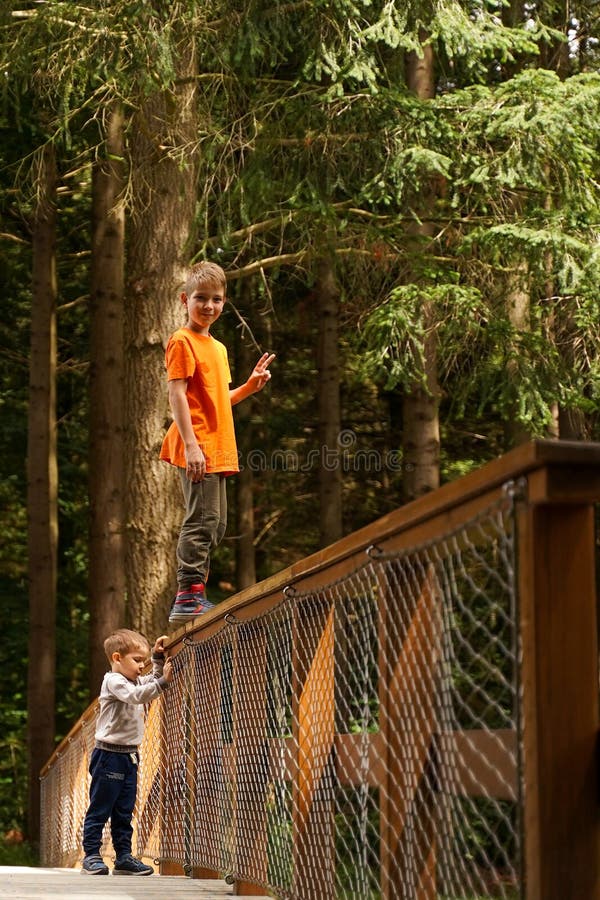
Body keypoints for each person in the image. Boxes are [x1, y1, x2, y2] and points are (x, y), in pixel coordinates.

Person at [160, 261, 275, 624]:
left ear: (224, 303)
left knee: (217, 525)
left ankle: (196, 594)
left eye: (216, 300)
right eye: (200, 299)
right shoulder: (182, 340)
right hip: (198, 444)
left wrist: (248, 387)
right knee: (202, 520)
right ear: (185, 300)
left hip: (217, 445)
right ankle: (187, 596)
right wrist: (192, 446)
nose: (208, 306)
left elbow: (217, 398)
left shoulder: (219, 348)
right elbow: (176, 394)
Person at [81, 629, 172, 876]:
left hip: (129, 757)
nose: (141, 666)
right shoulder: (114, 682)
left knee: (124, 809)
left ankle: (123, 857)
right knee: (101, 807)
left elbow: (150, 681)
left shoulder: (132, 679)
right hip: (108, 756)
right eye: (137, 660)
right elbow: (135, 696)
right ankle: (91, 856)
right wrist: (163, 682)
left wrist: (157, 657)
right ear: (117, 657)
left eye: (143, 661)